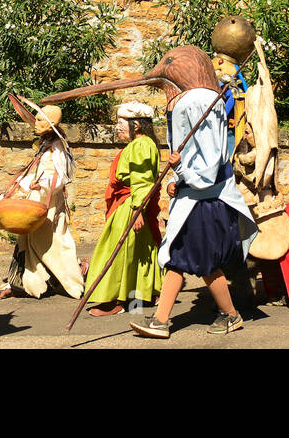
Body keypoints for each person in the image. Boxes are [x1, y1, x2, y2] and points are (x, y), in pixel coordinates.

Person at [130, 49, 256, 339]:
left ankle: (225, 315)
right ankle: (165, 320)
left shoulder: (198, 100)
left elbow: (209, 157)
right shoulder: (190, 100)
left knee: (199, 262)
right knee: (182, 258)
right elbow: (191, 152)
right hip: (195, 197)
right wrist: (178, 179)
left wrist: (182, 173)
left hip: (206, 199)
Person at [82, 101, 163, 316]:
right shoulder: (140, 144)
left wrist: (137, 210)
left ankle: (114, 301)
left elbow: (142, 179)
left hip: (131, 205)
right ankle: (145, 294)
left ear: (136, 125)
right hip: (132, 203)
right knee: (140, 250)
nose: (117, 127)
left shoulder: (141, 145)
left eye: (121, 122)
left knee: (116, 250)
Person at [0, 99, 83, 300]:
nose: (34, 123)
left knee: (54, 245)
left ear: (50, 123)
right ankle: (25, 283)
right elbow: (36, 171)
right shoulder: (46, 145)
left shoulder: (57, 147)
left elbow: (61, 177)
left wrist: (42, 186)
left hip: (49, 205)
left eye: (39, 120)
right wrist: (23, 185)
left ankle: (73, 281)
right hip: (36, 200)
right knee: (28, 241)